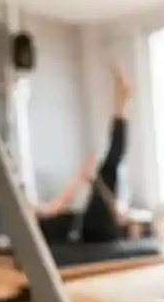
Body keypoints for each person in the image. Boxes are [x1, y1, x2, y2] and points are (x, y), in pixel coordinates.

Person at [36, 66, 132, 244]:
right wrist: (84, 178)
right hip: (94, 231)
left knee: (110, 167)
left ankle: (122, 105)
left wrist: (86, 178)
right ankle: (122, 105)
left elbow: (60, 204)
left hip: (90, 227)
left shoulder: (44, 213)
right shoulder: (38, 218)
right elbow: (58, 205)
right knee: (110, 166)